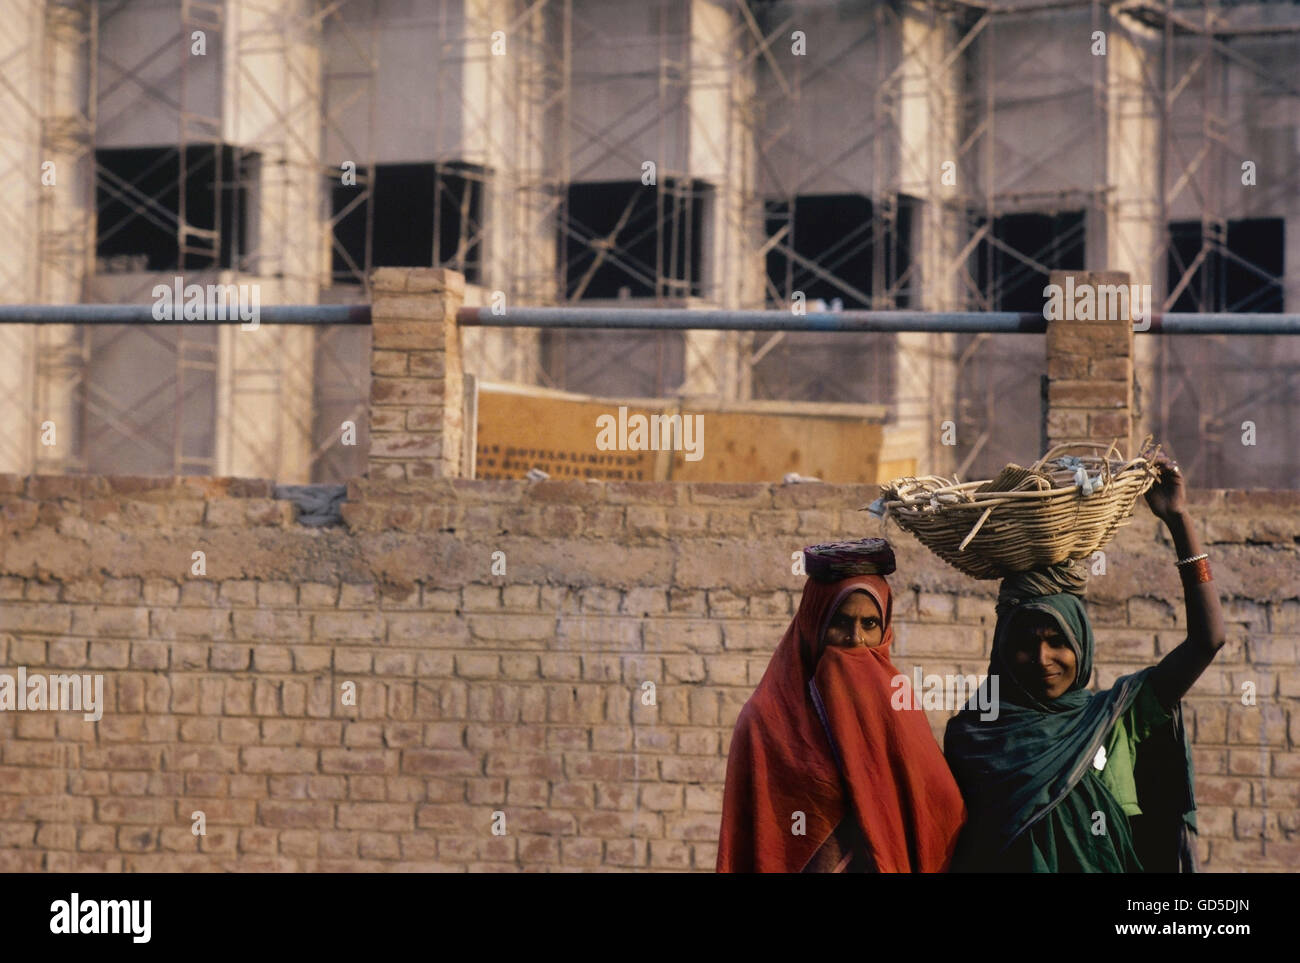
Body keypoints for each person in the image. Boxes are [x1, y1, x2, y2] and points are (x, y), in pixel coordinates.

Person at [944, 455, 1223, 872]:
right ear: (1002, 649)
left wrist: (1179, 521)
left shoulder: (1115, 719)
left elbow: (1207, 641)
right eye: (1025, 644)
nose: (1042, 659)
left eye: (1058, 642)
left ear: (1082, 644)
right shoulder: (974, 739)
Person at [717, 538, 966, 872]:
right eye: (840, 623)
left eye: (869, 624)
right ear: (814, 625)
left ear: (885, 629)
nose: (856, 639)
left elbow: (938, 805)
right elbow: (756, 840)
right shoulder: (763, 722)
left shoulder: (898, 707)